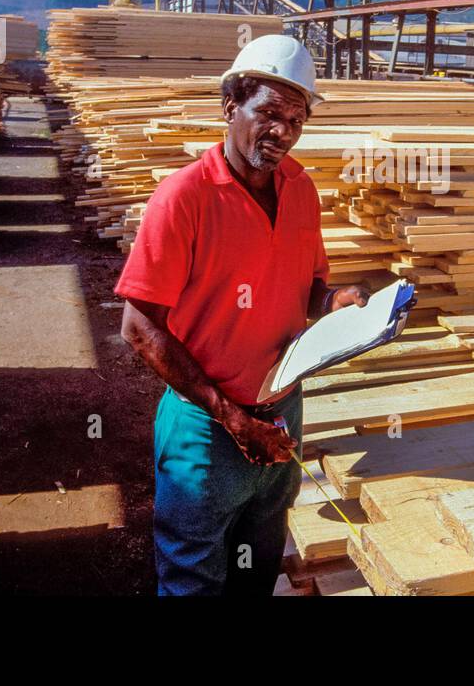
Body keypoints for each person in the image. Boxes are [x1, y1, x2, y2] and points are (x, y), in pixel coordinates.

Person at [116, 34, 369, 596]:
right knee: (194, 576)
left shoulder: (301, 190)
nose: (283, 132)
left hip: (282, 413)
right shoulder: (184, 197)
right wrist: (232, 418)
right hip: (205, 428)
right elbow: (138, 326)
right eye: (269, 113)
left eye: (297, 120)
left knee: (258, 563)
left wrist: (336, 304)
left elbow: (308, 288)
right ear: (230, 105)